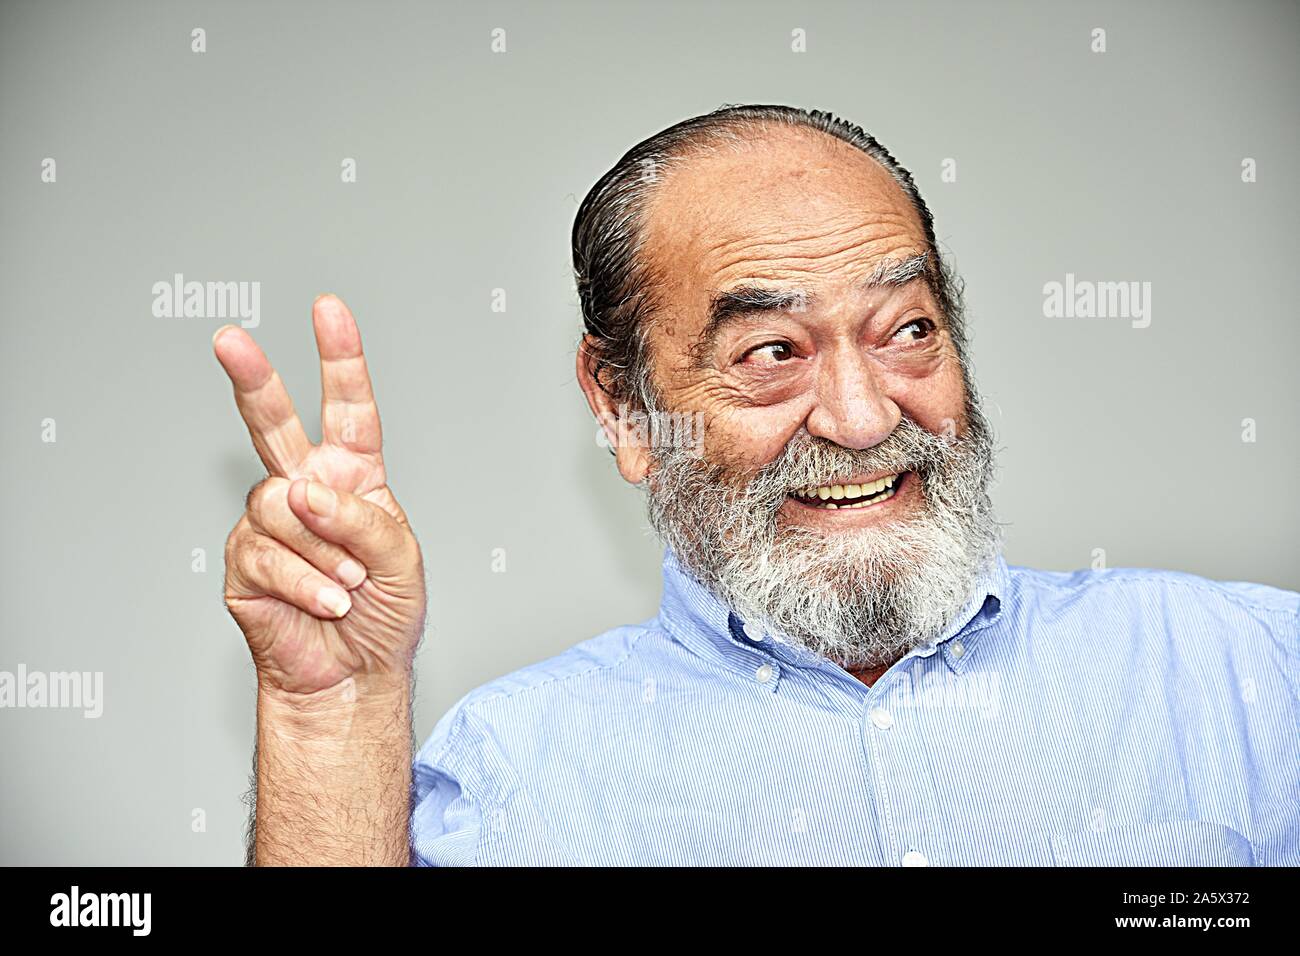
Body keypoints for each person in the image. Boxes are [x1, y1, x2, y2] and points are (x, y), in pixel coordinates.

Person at [212, 105, 1298, 866]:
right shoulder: (511, 775)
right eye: (771, 352)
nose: (864, 417)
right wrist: (334, 716)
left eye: (906, 331)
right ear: (622, 406)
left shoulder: (1248, 673)